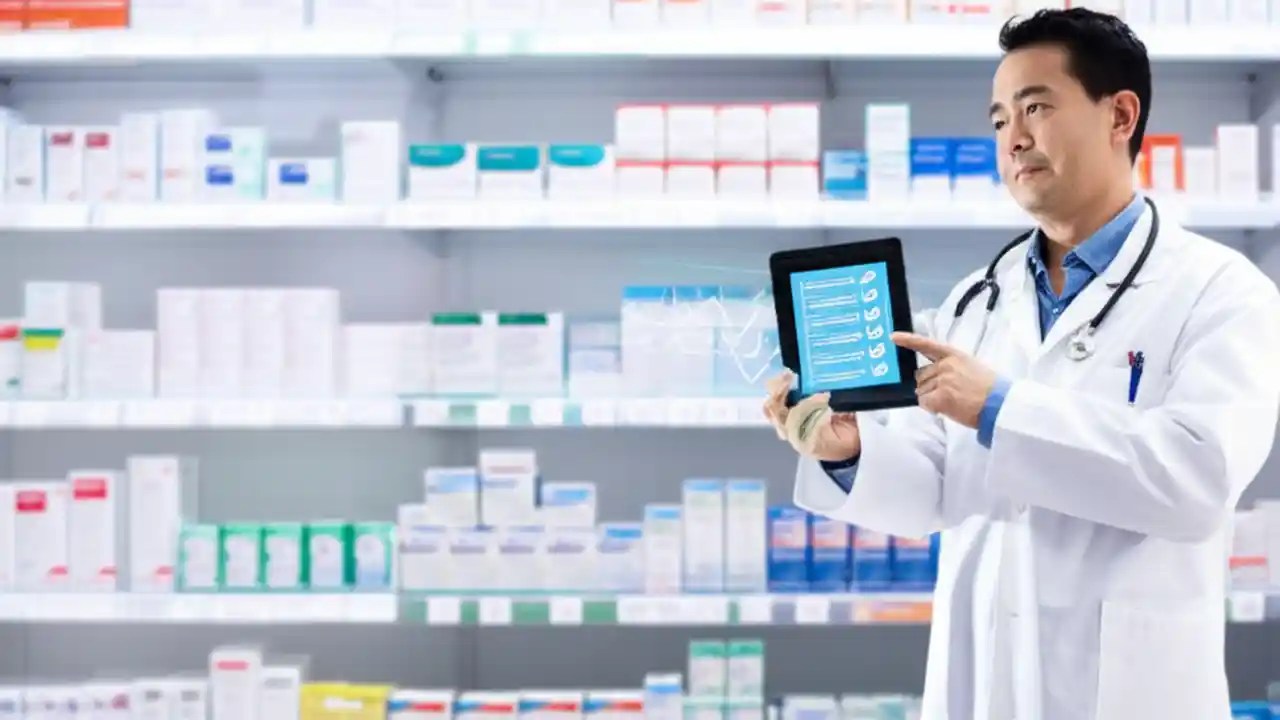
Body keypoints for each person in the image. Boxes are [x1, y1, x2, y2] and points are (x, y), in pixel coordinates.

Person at [762, 8, 1280, 720]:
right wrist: (849, 451)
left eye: (1036, 107)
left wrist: (999, 408)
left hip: (1127, 692)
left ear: (1120, 115)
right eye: (1001, 119)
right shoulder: (978, 299)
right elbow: (934, 490)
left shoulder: (1223, 293)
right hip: (984, 688)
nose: (1016, 138)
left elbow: (1198, 477)